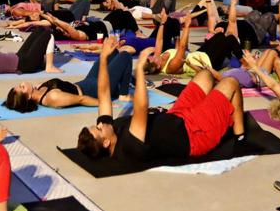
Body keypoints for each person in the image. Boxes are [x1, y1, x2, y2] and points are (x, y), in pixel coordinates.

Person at [77, 47, 245, 161]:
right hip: (193, 135)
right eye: (98, 129)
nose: (99, 124)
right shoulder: (128, 147)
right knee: (231, 83)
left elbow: (104, 93)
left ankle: (219, 110)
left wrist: (104, 58)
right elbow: (141, 108)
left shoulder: (109, 131)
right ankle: (241, 139)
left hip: (177, 116)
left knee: (206, 76)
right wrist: (141, 70)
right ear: (106, 143)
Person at [4, 36, 133, 112]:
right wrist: (106, 103)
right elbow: (81, 99)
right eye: (22, 87)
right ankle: (123, 94)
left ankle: (119, 85)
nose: (22, 83)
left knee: (114, 52)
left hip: (87, 81)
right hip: (95, 90)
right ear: (27, 97)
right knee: (125, 55)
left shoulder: (37, 90)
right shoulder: (52, 98)